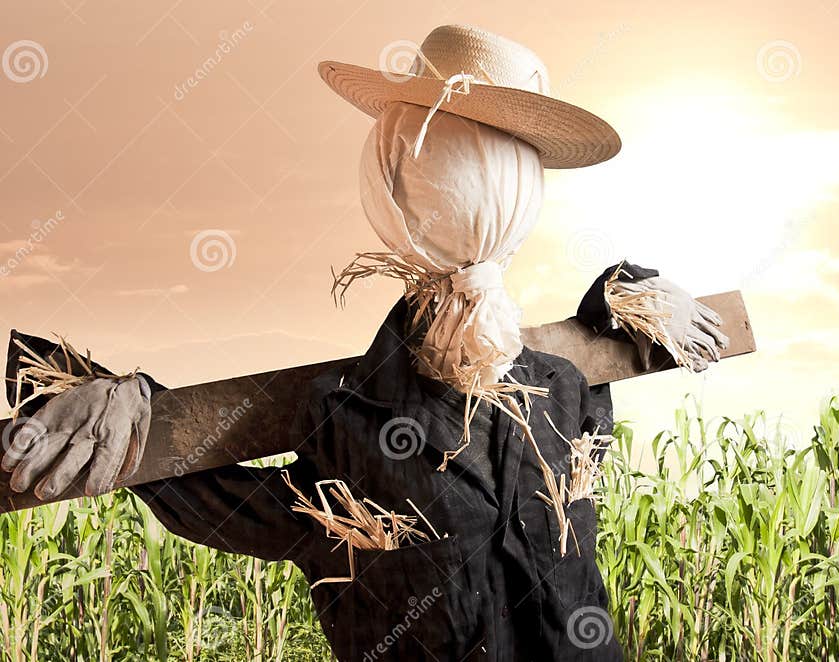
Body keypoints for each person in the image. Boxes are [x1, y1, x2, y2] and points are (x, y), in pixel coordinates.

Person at [2, 25, 727, 661]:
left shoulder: (563, 390)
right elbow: (224, 502)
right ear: (401, 169)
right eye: (467, 155)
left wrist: (623, 289)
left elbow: (599, 355)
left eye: (495, 160)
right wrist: (121, 406)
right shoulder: (343, 422)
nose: (479, 179)